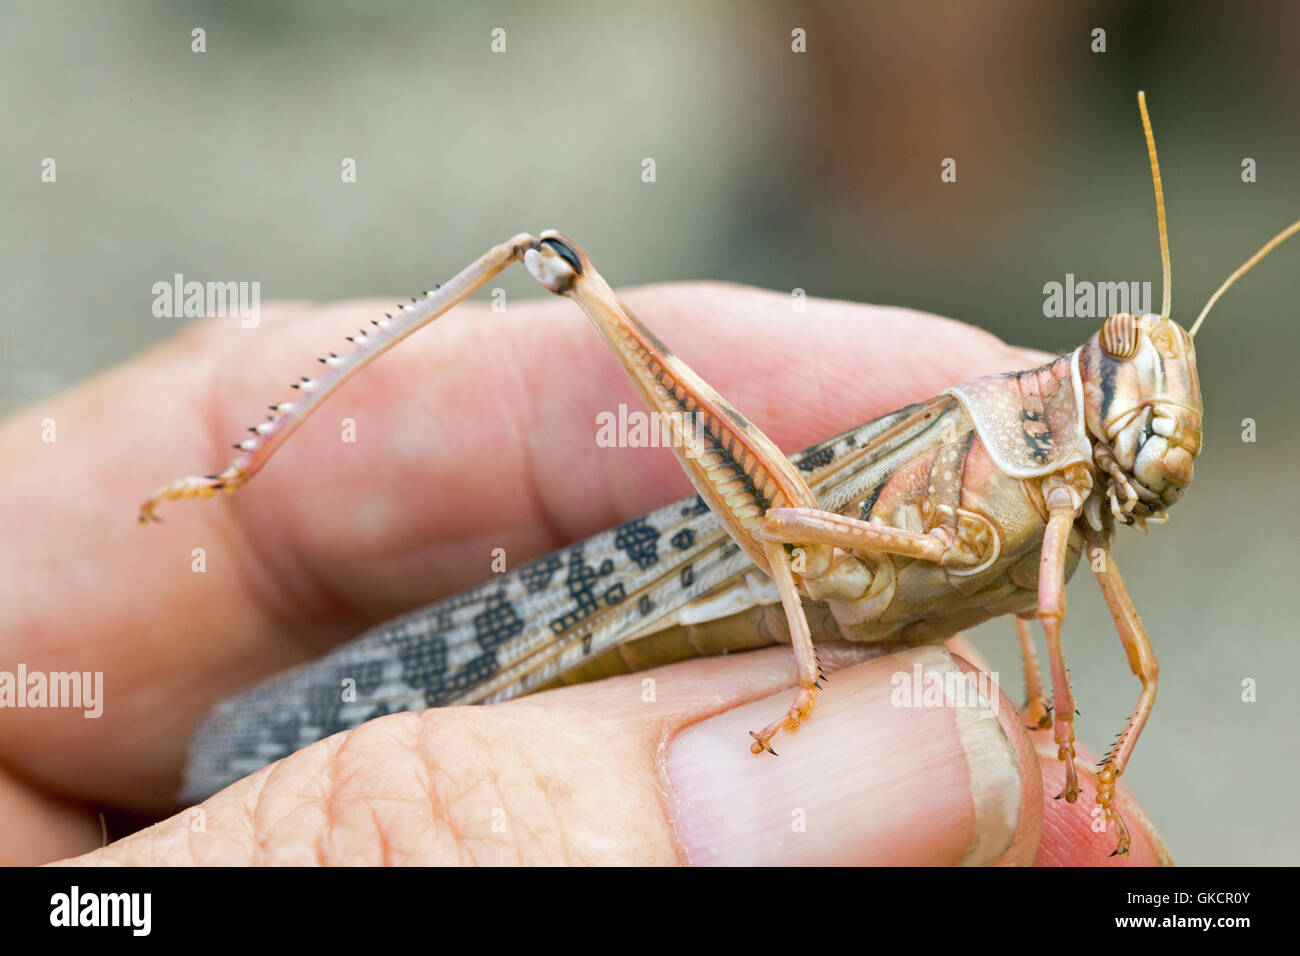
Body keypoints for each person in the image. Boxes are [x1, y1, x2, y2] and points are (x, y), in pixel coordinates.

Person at [0, 283, 1168, 865]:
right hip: (712, 564)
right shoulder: (999, 447)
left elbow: (1070, 614)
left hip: (821, 580)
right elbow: (812, 542)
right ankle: (230, 480)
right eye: (1122, 356)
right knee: (557, 265)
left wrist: (1087, 750)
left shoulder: (1065, 520)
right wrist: (810, 696)